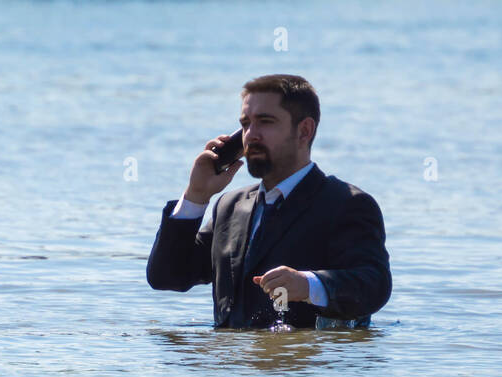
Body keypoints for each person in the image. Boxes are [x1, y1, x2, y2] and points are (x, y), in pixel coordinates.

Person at [146, 74, 392, 330]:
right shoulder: (230, 207)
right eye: (245, 124)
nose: (251, 134)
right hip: (232, 365)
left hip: (305, 367)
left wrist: (308, 284)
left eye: (265, 122)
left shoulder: (347, 204)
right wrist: (196, 196)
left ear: (305, 130)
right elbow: (166, 277)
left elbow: (374, 284)